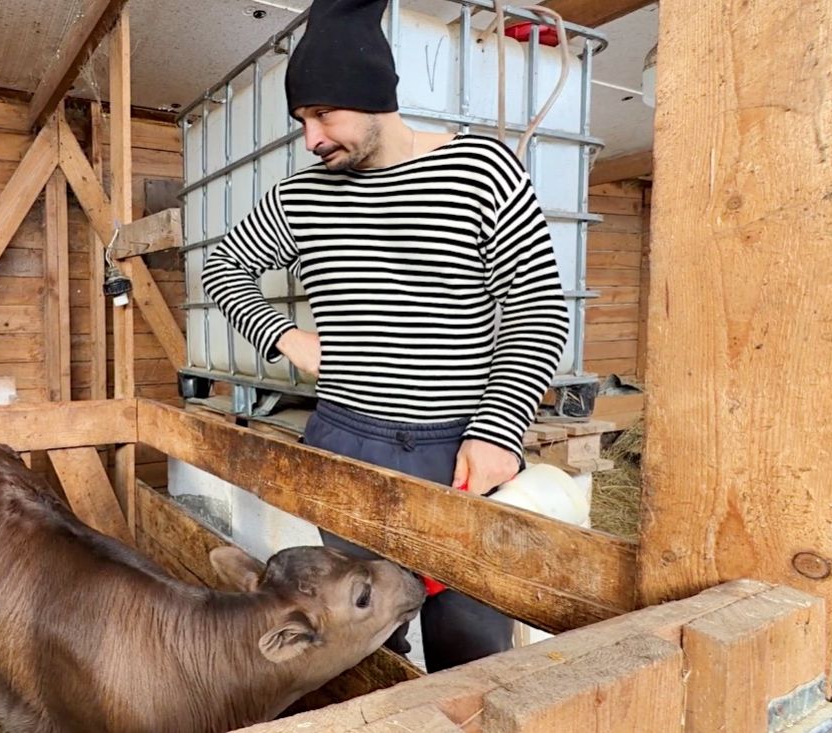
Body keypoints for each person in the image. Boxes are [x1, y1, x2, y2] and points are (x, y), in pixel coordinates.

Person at [201, 0, 570, 673]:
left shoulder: (482, 173)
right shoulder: (301, 196)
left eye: (321, 114)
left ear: (373, 96)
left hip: (454, 452)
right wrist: (283, 334)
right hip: (345, 447)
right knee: (364, 643)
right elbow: (222, 265)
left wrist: (496, 428)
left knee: (471, 647)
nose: (311, 138)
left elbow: (537, 308)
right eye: (301, 121)